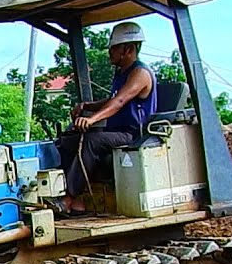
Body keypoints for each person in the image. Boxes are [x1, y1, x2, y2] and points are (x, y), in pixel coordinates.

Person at [54, 21, 158, 216]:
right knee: (67, 141)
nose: (109, 52)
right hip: (117, 131)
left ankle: (68, 198)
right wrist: (86, 107)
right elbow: (111, 100)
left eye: (113, 48)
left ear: (128, 49)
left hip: (134, 135)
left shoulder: (140, 73)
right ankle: (77, 200)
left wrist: (92, 120)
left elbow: (119, 102)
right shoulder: (122, 73)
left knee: (92, 140)